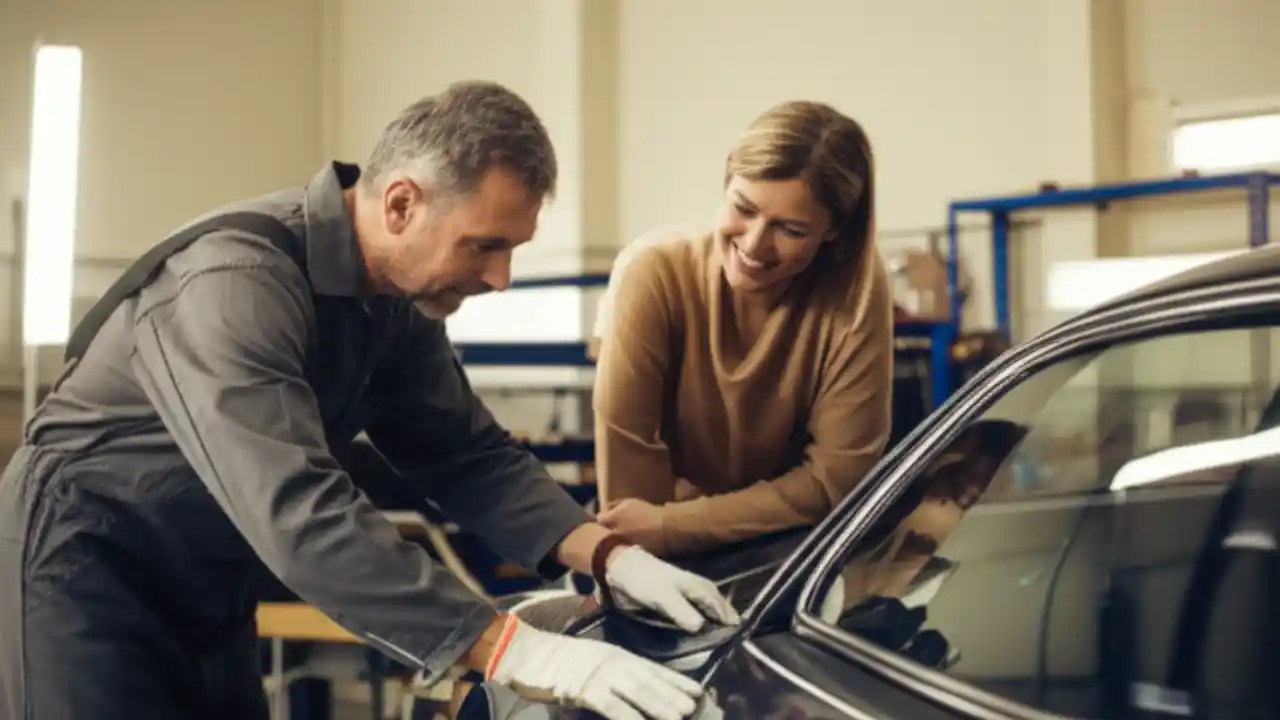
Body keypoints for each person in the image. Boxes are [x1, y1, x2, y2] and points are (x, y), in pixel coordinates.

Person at [0, 80, 737, 720]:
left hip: (206, 573)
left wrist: (610, 557)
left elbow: (466, 454)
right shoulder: (232, 285)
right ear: (401, 204)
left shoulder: (394, 301)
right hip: (84, 562)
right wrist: (518, 652)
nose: (503, 277)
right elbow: (296, 507)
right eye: (485, 246)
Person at [592, 100, 894, 558]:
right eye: (743, 208)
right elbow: (630, 510)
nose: (755, 245)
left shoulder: (856, 291)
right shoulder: (652, 271)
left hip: (785, 552)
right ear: (726, 182)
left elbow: (836, 480)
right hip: (659, 554)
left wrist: (677, 522)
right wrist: (667, 527)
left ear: (833, 231)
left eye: (790, 229)